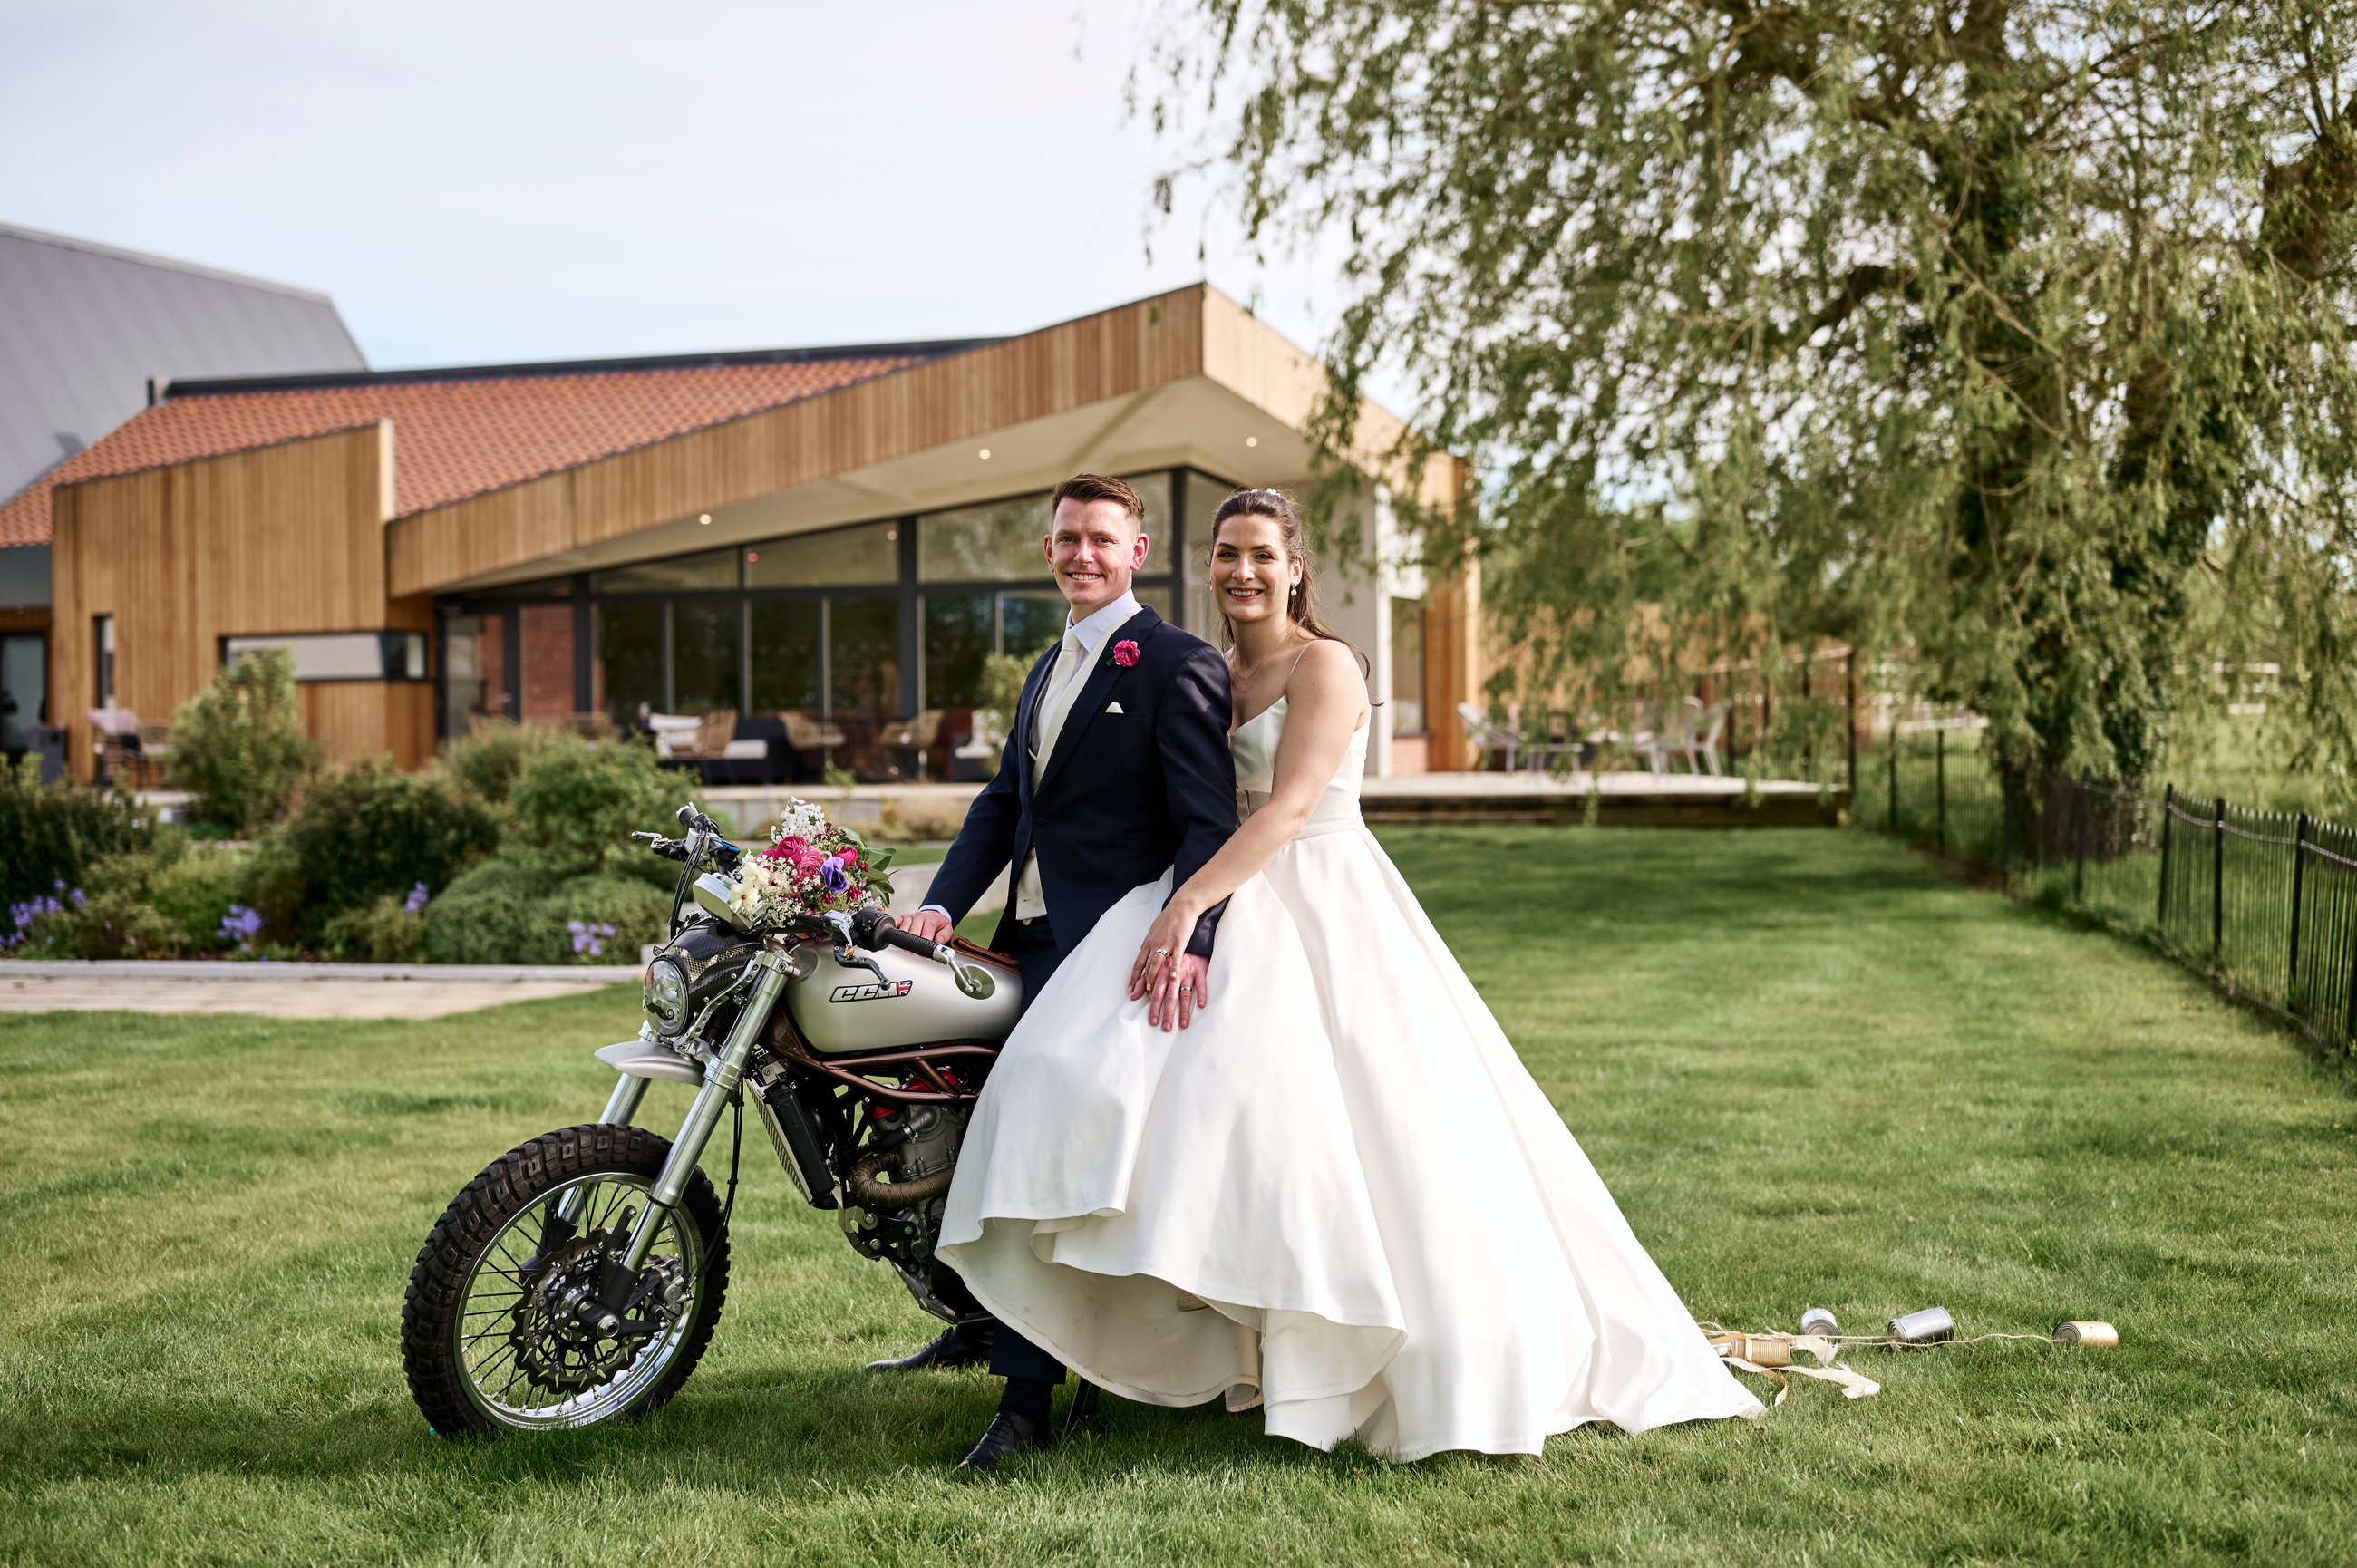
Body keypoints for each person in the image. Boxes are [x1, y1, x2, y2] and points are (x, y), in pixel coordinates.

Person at [936, 487, 1763, 1466]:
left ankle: (1404, 1346)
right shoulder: (1216, 669)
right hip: (1224, 895)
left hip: (1318, 896)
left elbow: (1283, 812)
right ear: (1203, 564)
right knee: (1215, 1137)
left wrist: (1188, 905)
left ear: (1295, 568)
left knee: (1368, 1140)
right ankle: (1162, 1343)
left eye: (1260, 554)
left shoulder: (1325, 664)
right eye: (1226, 554)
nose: (1241, 570)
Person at [881, 472, 1239, 1474]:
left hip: (1117, 957)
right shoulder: (1047, 666)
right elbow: (1005, 804)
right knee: (941, 1110)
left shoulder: (1173, 662)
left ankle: (1026, 1401)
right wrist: (944, 903)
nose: (1081, 553)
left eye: (1100, 538)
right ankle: (980, 1315)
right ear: (1048, 549)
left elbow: (1211, 824)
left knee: (1036, 1147)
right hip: (1026, 941)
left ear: (1136, 552)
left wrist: (1190, 940)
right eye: (1065, 537)